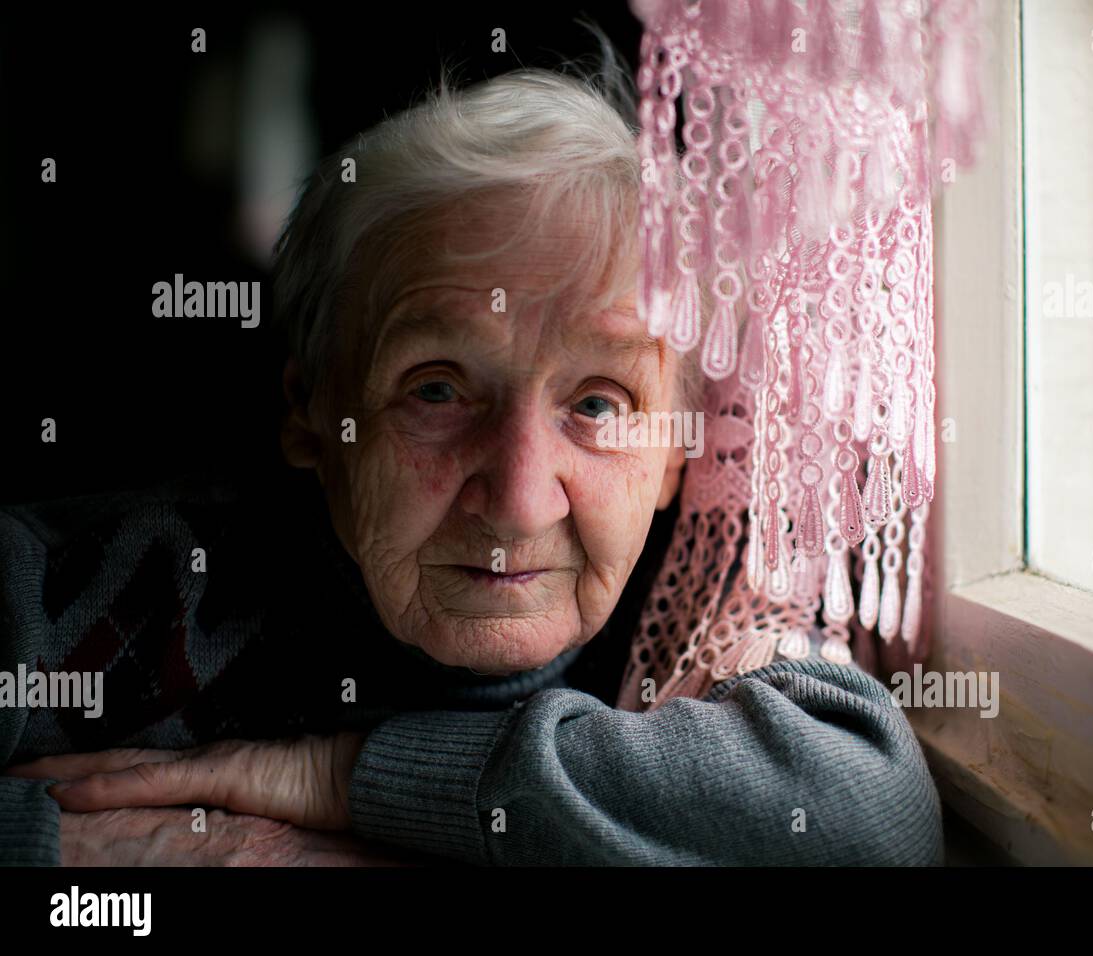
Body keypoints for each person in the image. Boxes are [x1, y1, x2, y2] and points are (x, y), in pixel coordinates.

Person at [0, 53, 944, 866]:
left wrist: (343, 777)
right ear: (311, 412)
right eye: (438, 391)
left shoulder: (683, 627)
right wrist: (79, 850)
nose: (521, 499)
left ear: (673, 458)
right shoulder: (92, 587)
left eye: (598, 404)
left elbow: (873, 817)